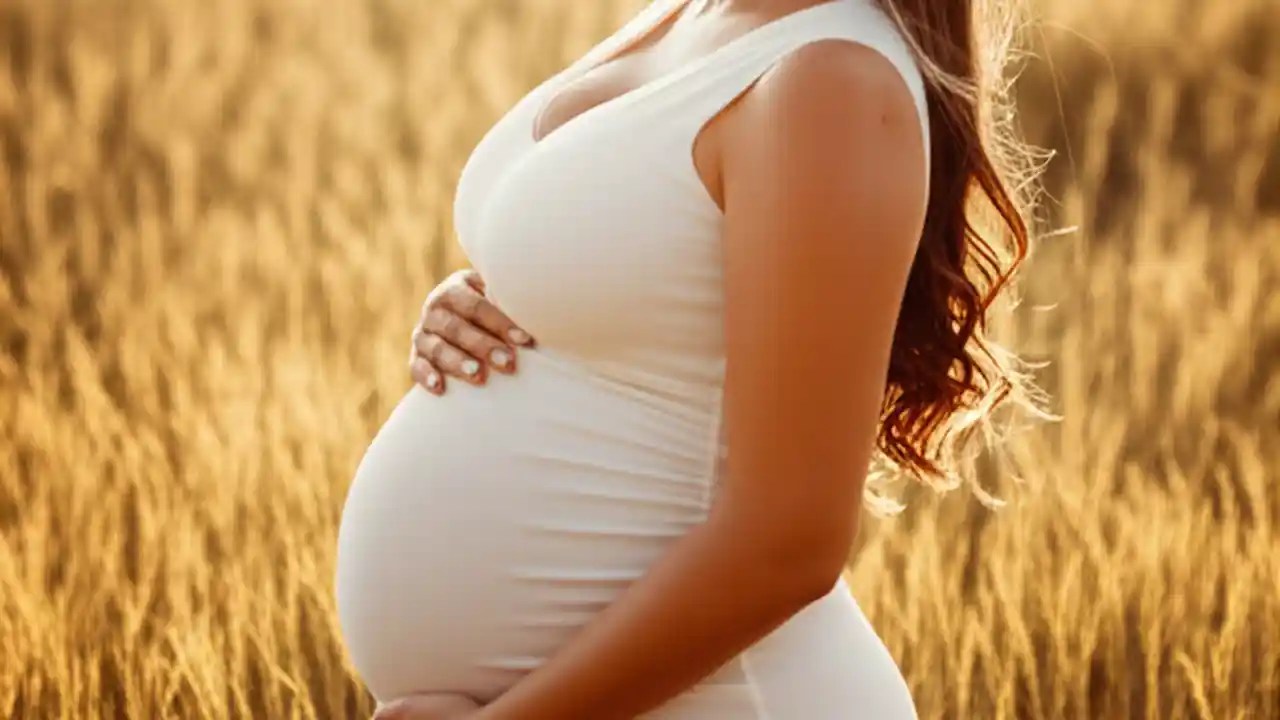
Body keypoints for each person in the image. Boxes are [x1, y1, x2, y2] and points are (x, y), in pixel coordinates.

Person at [335, 0, 1041, 718]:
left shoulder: (833, 84)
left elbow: (791, 541)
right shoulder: (698, 12)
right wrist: (485, 303)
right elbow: (640, 270)